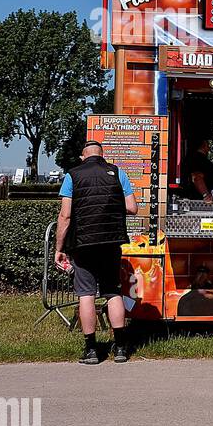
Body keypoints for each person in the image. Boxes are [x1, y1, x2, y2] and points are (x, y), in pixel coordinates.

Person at [54, 140, 138, 364]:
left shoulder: (72, 175)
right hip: (111, 241)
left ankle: (91, 349)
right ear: (102, 155)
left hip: (82, 243)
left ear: (83, 157)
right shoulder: (117, 173)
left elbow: (65, 215)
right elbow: (132, 207)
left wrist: (59, 248)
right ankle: (120, 348)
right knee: (113, 292)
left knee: (86, 294)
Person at [178, 136, 213, 202]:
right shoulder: (198, 159)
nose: (209, 147)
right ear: (204, 144)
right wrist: (206, 195)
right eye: (207, 143)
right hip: (200, 201)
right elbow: (197, 177)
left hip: (205, 200)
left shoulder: (195, 158)